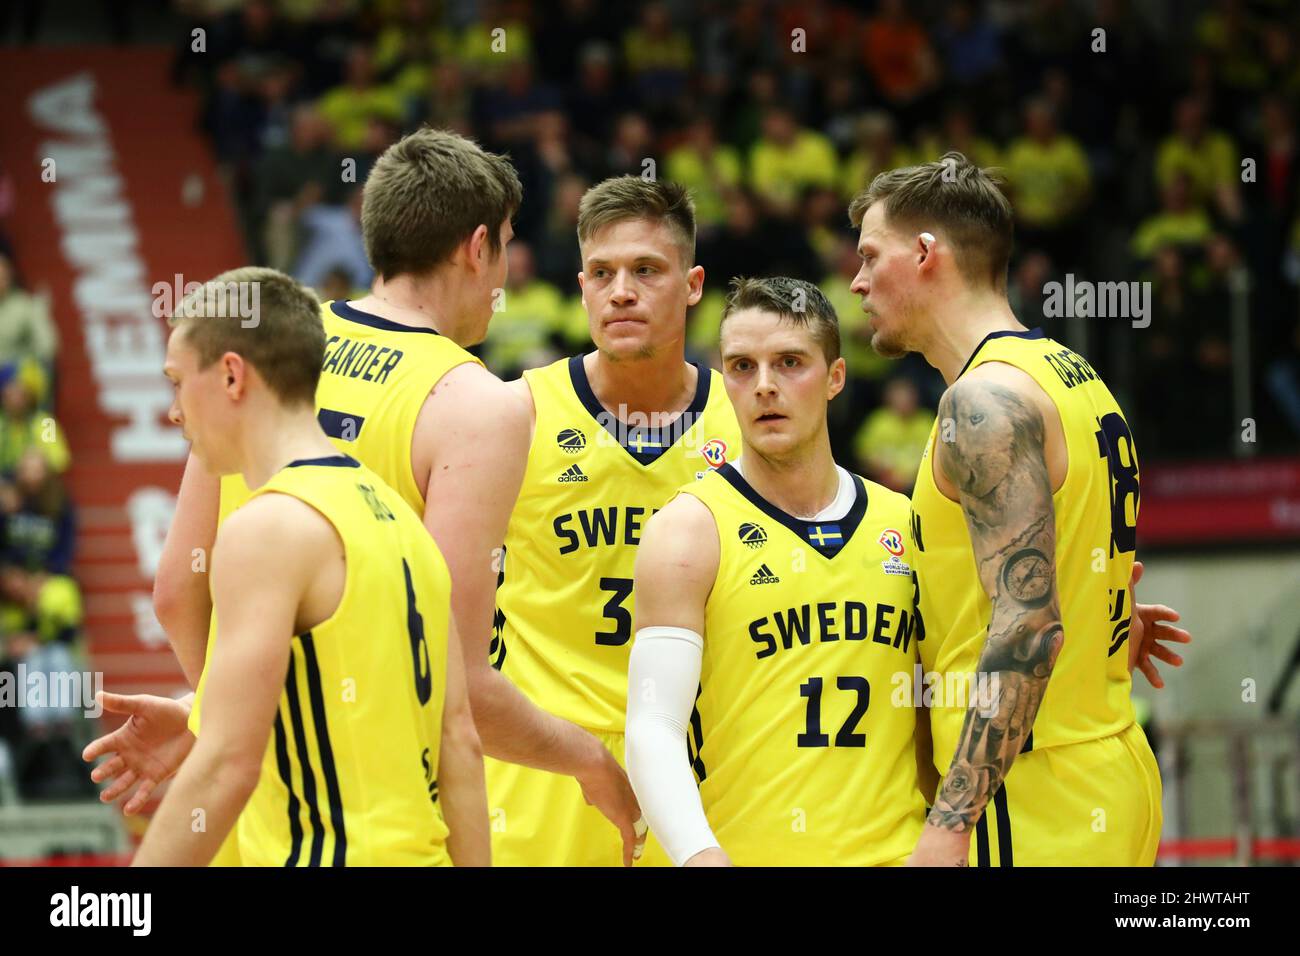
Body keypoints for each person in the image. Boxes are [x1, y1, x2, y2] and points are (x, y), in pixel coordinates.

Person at [87, 129, 642, 865]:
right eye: (505, 246)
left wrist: (230, 724)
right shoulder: (476, 401)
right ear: (477, 248)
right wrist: (589, 759)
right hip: (378, 823)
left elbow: (176, 594)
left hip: (243, 825)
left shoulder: (273, 343)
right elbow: (457, 689)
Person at [848, 152, 1186, 866]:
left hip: (1029, 796)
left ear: (925, 253)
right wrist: (1102, 619)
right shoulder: (1074, 374)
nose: (857, 281)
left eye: (871, 257)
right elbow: (1071, 571)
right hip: (1107, 767)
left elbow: (1029, 628)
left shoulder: (981, 402)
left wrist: (949, 823)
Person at [133, 268, 485, 866]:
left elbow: (225, 766)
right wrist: (206, 713)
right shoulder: (400, 520)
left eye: (176, 383)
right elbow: (461, 745)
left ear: (230, 375)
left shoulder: (268, 527)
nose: (173, 412)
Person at [626, 276, 930, 866]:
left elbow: (948, 698)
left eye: (789, 362)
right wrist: (698, 856)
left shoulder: (907, 523)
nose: (764, 386)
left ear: (835, 376)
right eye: (741, 367)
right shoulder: (688, 529)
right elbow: (652, 726)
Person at [489, 176, 741, 865]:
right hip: (543, 773)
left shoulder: (746, 422)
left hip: (694, 773)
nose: (621, 291)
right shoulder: (519, 412)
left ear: (692, 286)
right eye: (602, 273)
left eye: (646, 271)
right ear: (580, 286)